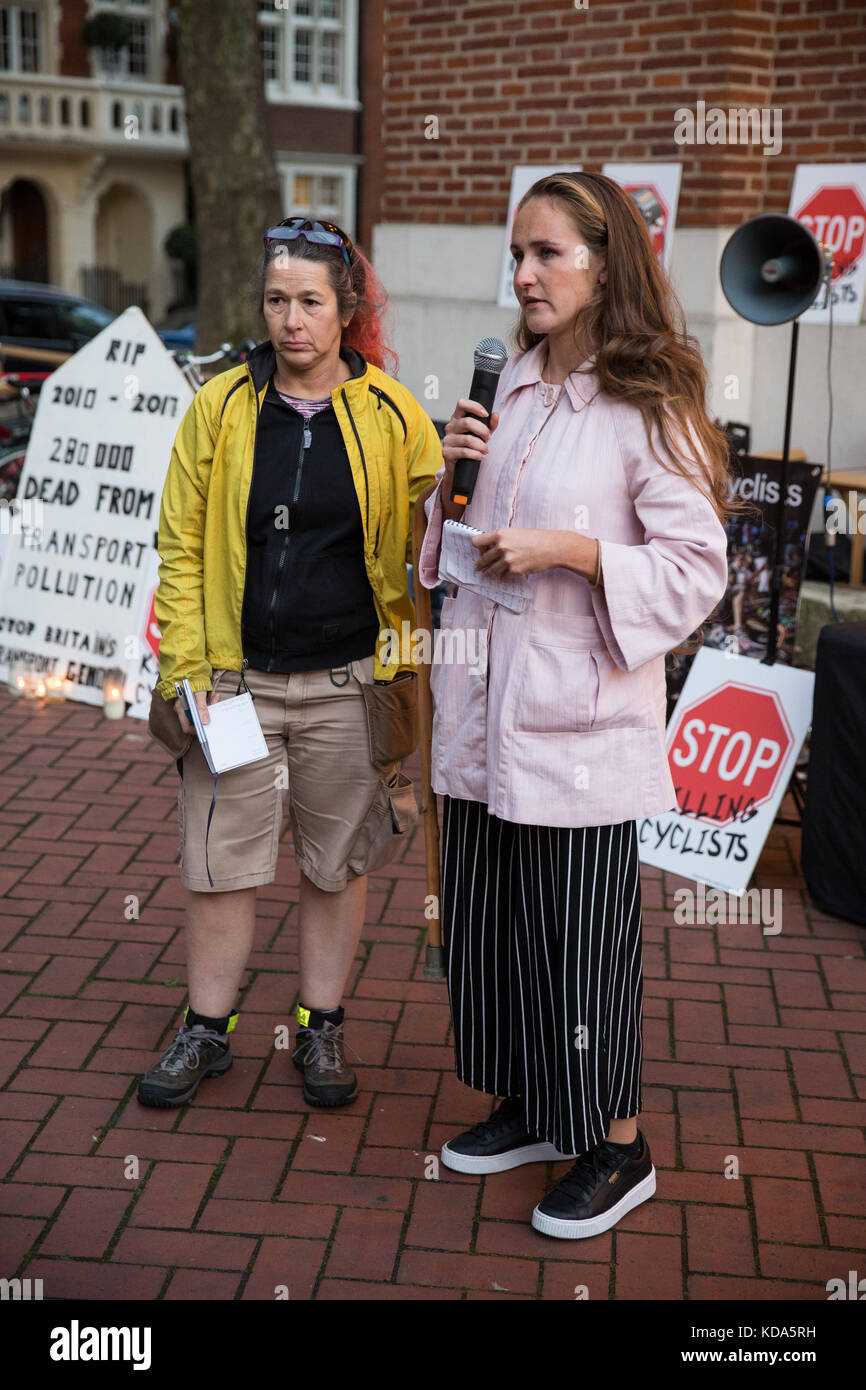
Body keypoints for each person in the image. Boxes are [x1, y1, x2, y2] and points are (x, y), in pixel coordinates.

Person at [416, 172, 736, 1240]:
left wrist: (568, 550)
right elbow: (458, 544)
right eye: (516, 254)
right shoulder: (508, 381)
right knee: (496, 928)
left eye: (546, 252)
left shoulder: (647, 399)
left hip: (574, 732)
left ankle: (616, 1140)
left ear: (607, 263)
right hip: (479, 709)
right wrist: (443, 488)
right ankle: (534, 1105)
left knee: (579, 941)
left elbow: (694, 569)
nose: (522, 273)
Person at [138, 217, 441, 1111]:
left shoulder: (393, 414)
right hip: (235, 685)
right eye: (277, 300)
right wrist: (188, 670)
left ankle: (321, 1029)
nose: (291, 320)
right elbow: (182, 544)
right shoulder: (220, 407)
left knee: (331, 864)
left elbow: (433, 547)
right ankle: (207, 1030)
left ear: (346, 309)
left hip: (348, 684)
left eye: (310, 301)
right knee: (220, 860)